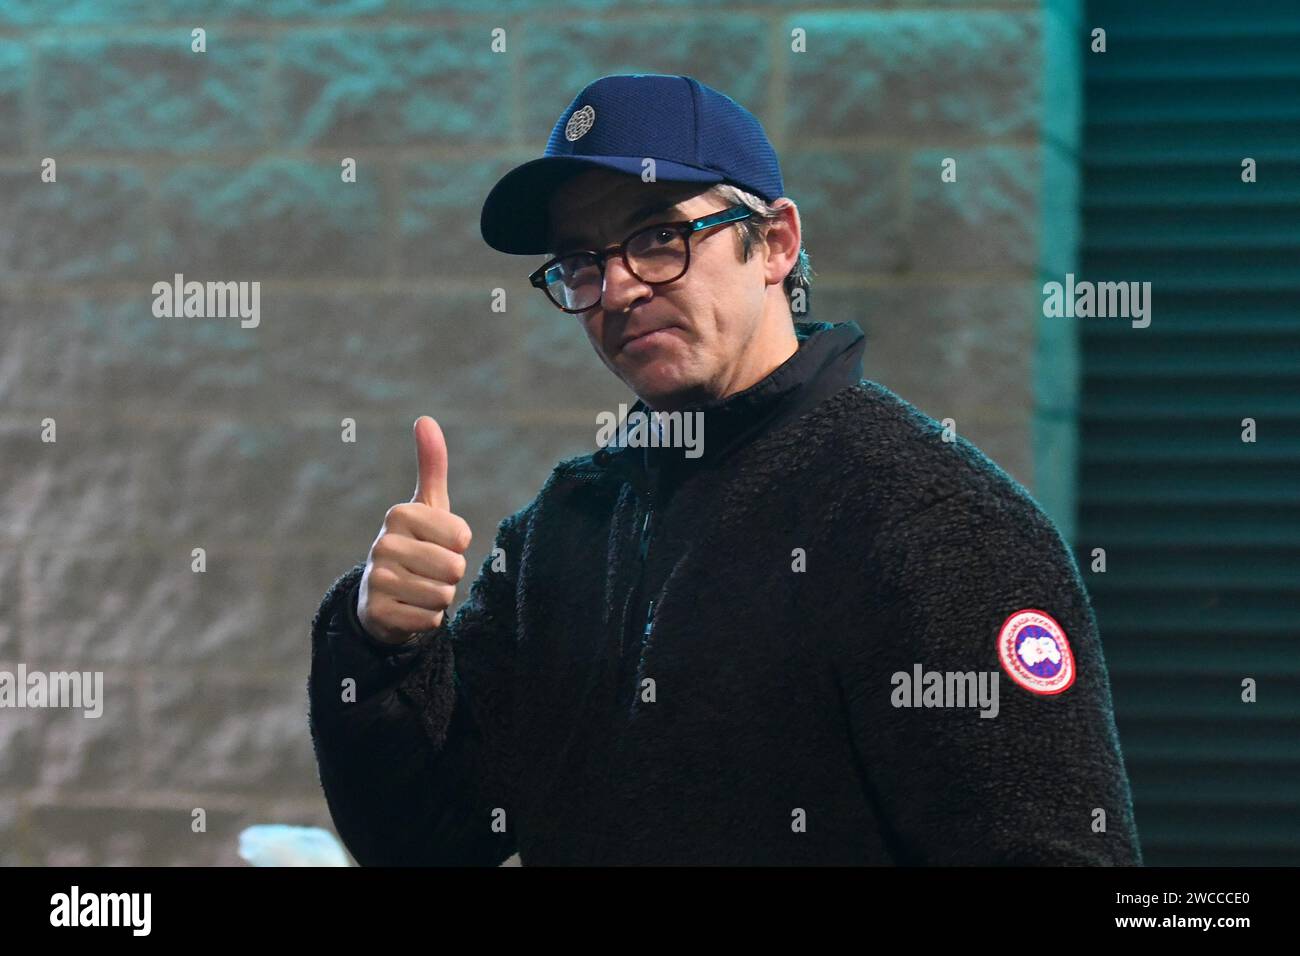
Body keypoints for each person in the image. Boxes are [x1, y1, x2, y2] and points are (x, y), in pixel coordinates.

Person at [307, 73, 1142, 865]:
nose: (618, 289)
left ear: (775, 244)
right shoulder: (564, 532)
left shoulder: (931, 518)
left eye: (658, 237)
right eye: (582, 263)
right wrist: (382, 646)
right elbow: (424, 840)